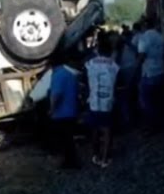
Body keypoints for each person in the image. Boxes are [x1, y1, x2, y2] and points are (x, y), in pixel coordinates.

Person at [85, 35, 120, 167]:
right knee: (107, 131)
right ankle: (105, 159)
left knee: (94, 130)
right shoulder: (114, 65)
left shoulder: (90, 63)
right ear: (110, 51)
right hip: (108, 103)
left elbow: (85, 78)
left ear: (98, 49)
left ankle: (96, 155)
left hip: (93, 101)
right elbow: (117, 83)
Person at [48, 52, 82, 170]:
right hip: (72, 110)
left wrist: (51, 110)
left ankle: (70, 163)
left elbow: (56, 95)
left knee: (65, 140)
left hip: (62, 113)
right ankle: (72, 162)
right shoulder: (69, 74)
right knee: (69, 139)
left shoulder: (57, 75)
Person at [136, 18, 164, 120]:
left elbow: (141, 56)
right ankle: (159, 121)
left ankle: (151, 125)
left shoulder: (144, 38)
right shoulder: (161, 37)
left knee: (146, 101)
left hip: (148, 73)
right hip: (161, 71)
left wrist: (135, 71)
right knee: (158, 100)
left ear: (144, 26)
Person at [116, 27, 141, 126]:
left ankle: (128, 119)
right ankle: (130, 117)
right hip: (131, 72)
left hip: (126, 73)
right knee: (129, 97)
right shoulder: (128, 47)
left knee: (125, 98)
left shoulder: (123, 48)